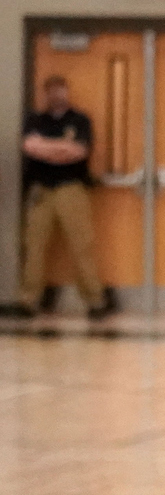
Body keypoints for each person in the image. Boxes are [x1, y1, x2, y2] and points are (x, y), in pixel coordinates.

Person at [3, 75, 116, 320]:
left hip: (71, 189)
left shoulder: (80, 120)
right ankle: (28, 300)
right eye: (51, 91)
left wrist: (47, 148)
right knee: (34, 246)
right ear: (46, 94)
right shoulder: (35, 120)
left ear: (66, 91)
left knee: (81, 245)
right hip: (41, 190)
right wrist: (60, 148)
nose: (56, 95)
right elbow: (30, 147)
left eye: (60, 90)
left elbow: (78, 151)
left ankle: (95, 301)